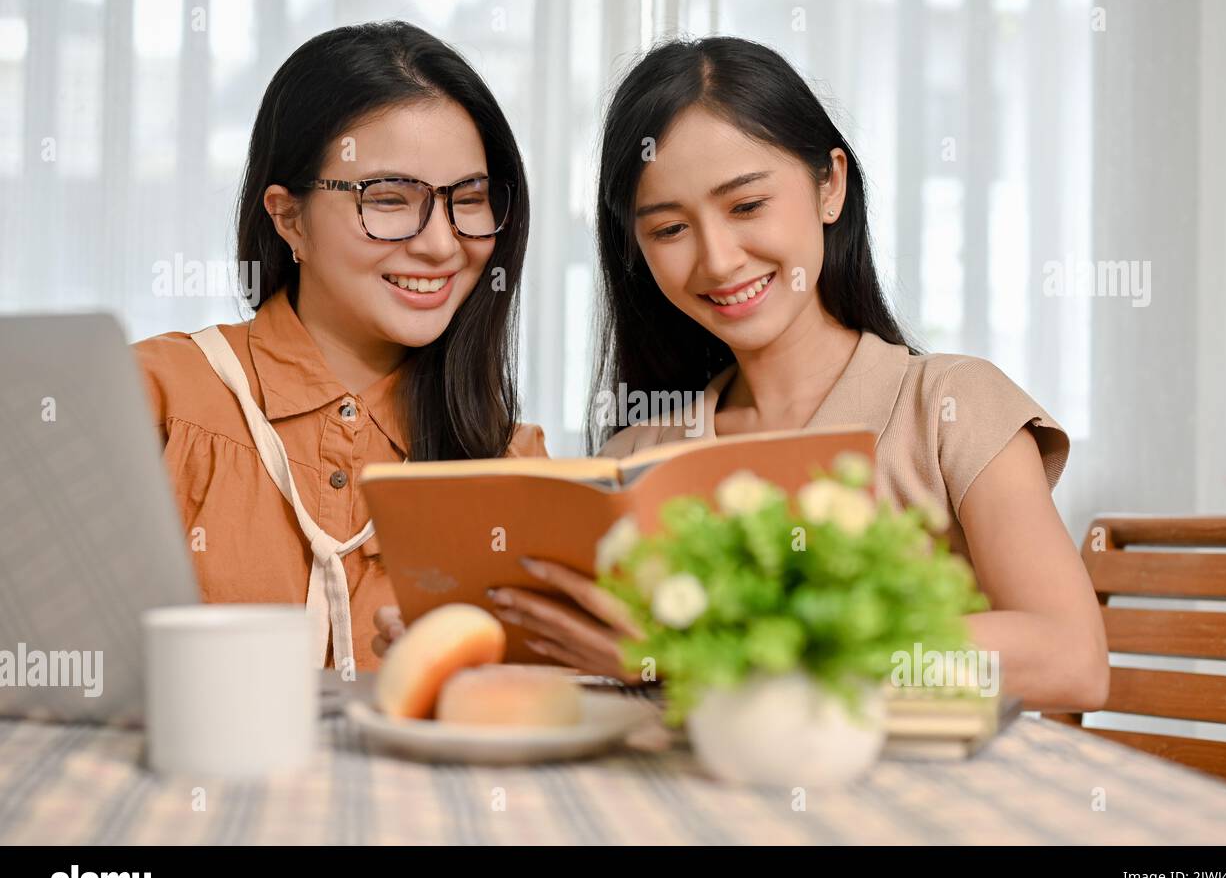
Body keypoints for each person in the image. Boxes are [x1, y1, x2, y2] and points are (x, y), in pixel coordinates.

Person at [468, 37, 1107, 713]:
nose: (717, 260)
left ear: (830, 184)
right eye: (668, 229)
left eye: (746, 207)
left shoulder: (950, 406)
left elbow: (1070, 659)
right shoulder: (635, 457)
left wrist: (715, 655)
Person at [134, 21, 544, 674]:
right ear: (289, 216)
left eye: (468, 200)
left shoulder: (514, 463)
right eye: (388, 199)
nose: (441, 244)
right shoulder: (151, 398)